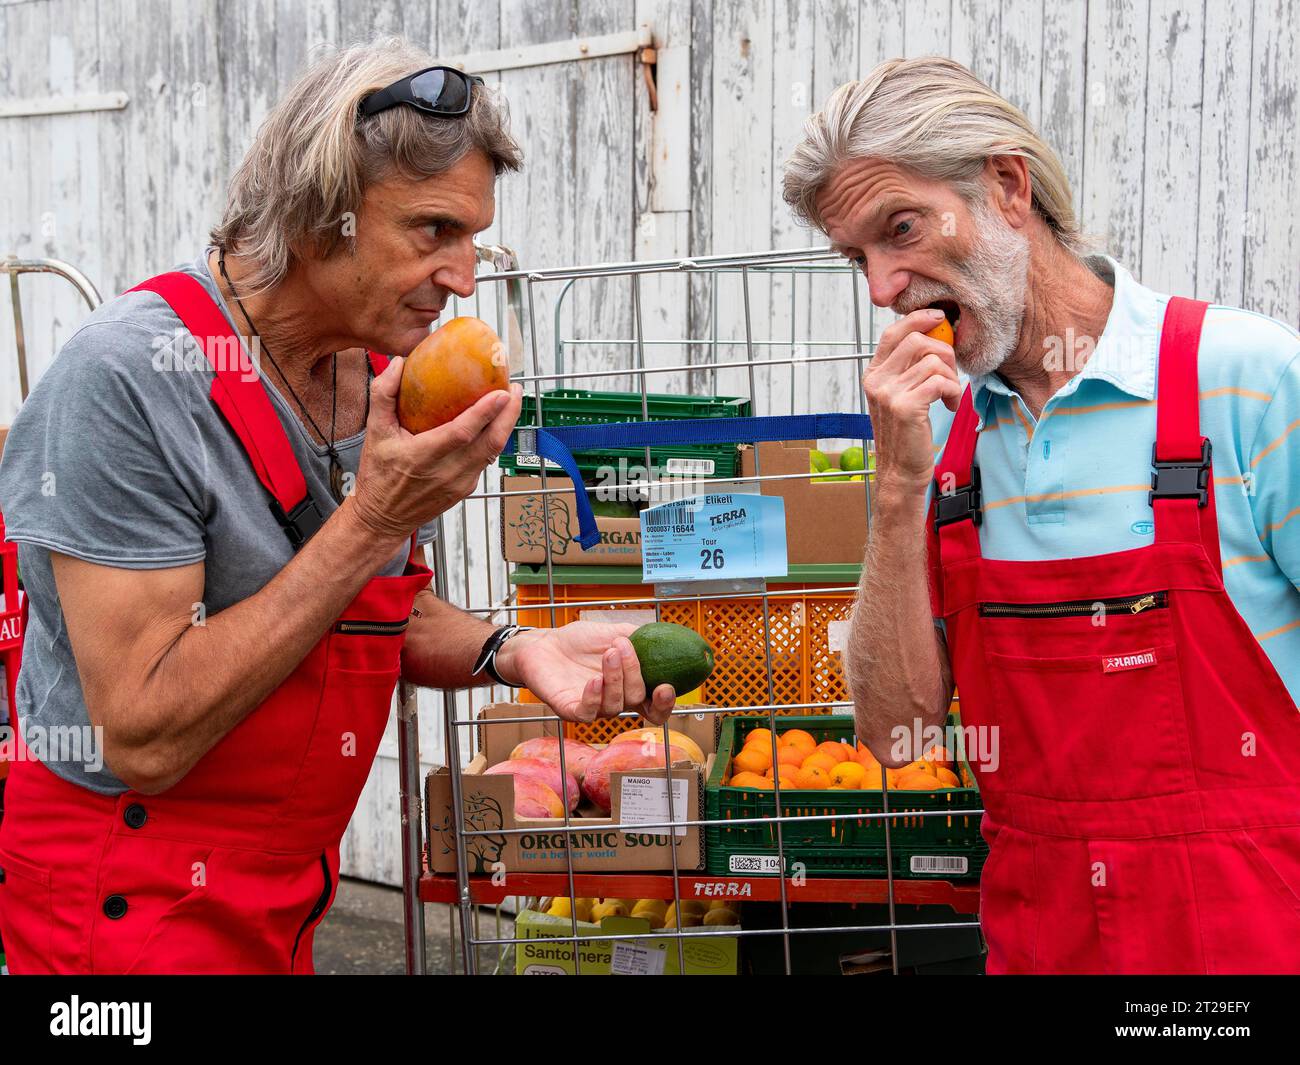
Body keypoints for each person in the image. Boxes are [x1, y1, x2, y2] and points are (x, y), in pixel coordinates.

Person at [0, 38, 673, 975]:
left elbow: (367, 605)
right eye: (433, 230)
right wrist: (372, 517)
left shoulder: (381, 379)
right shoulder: (127, 381)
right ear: (321, 215)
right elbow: (140, 732)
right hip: (124, 903)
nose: (465, 276)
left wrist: (510, 650)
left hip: (282, 902)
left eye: (473, 236)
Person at [783, 56, 1300, 974]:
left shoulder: (1246, 380)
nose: (881, 286)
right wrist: (897, 490)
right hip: (1042, 942)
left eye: (899, 228)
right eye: (856, 256)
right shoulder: (948, 457)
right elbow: (898, 732)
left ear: (1007, 186)